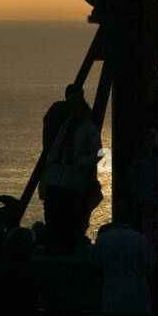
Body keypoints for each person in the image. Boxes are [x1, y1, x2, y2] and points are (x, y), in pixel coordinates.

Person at [41, 91, 101, 254]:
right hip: (57, 176)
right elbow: (55, 146)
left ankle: (66, 245)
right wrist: (51, 162)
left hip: (73, 179)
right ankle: (53, 243)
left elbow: (99, 153)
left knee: (69, 213)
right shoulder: (65, 126)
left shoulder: (89, 129)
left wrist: (79, 162)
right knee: (52, 211)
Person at [128, 129, 158, 247]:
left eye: (151, 139)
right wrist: (134, 192)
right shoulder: (139, 157)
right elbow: (133, 175)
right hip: (144, 197)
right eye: (146, 139)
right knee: (146, 224)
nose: (148, 142)